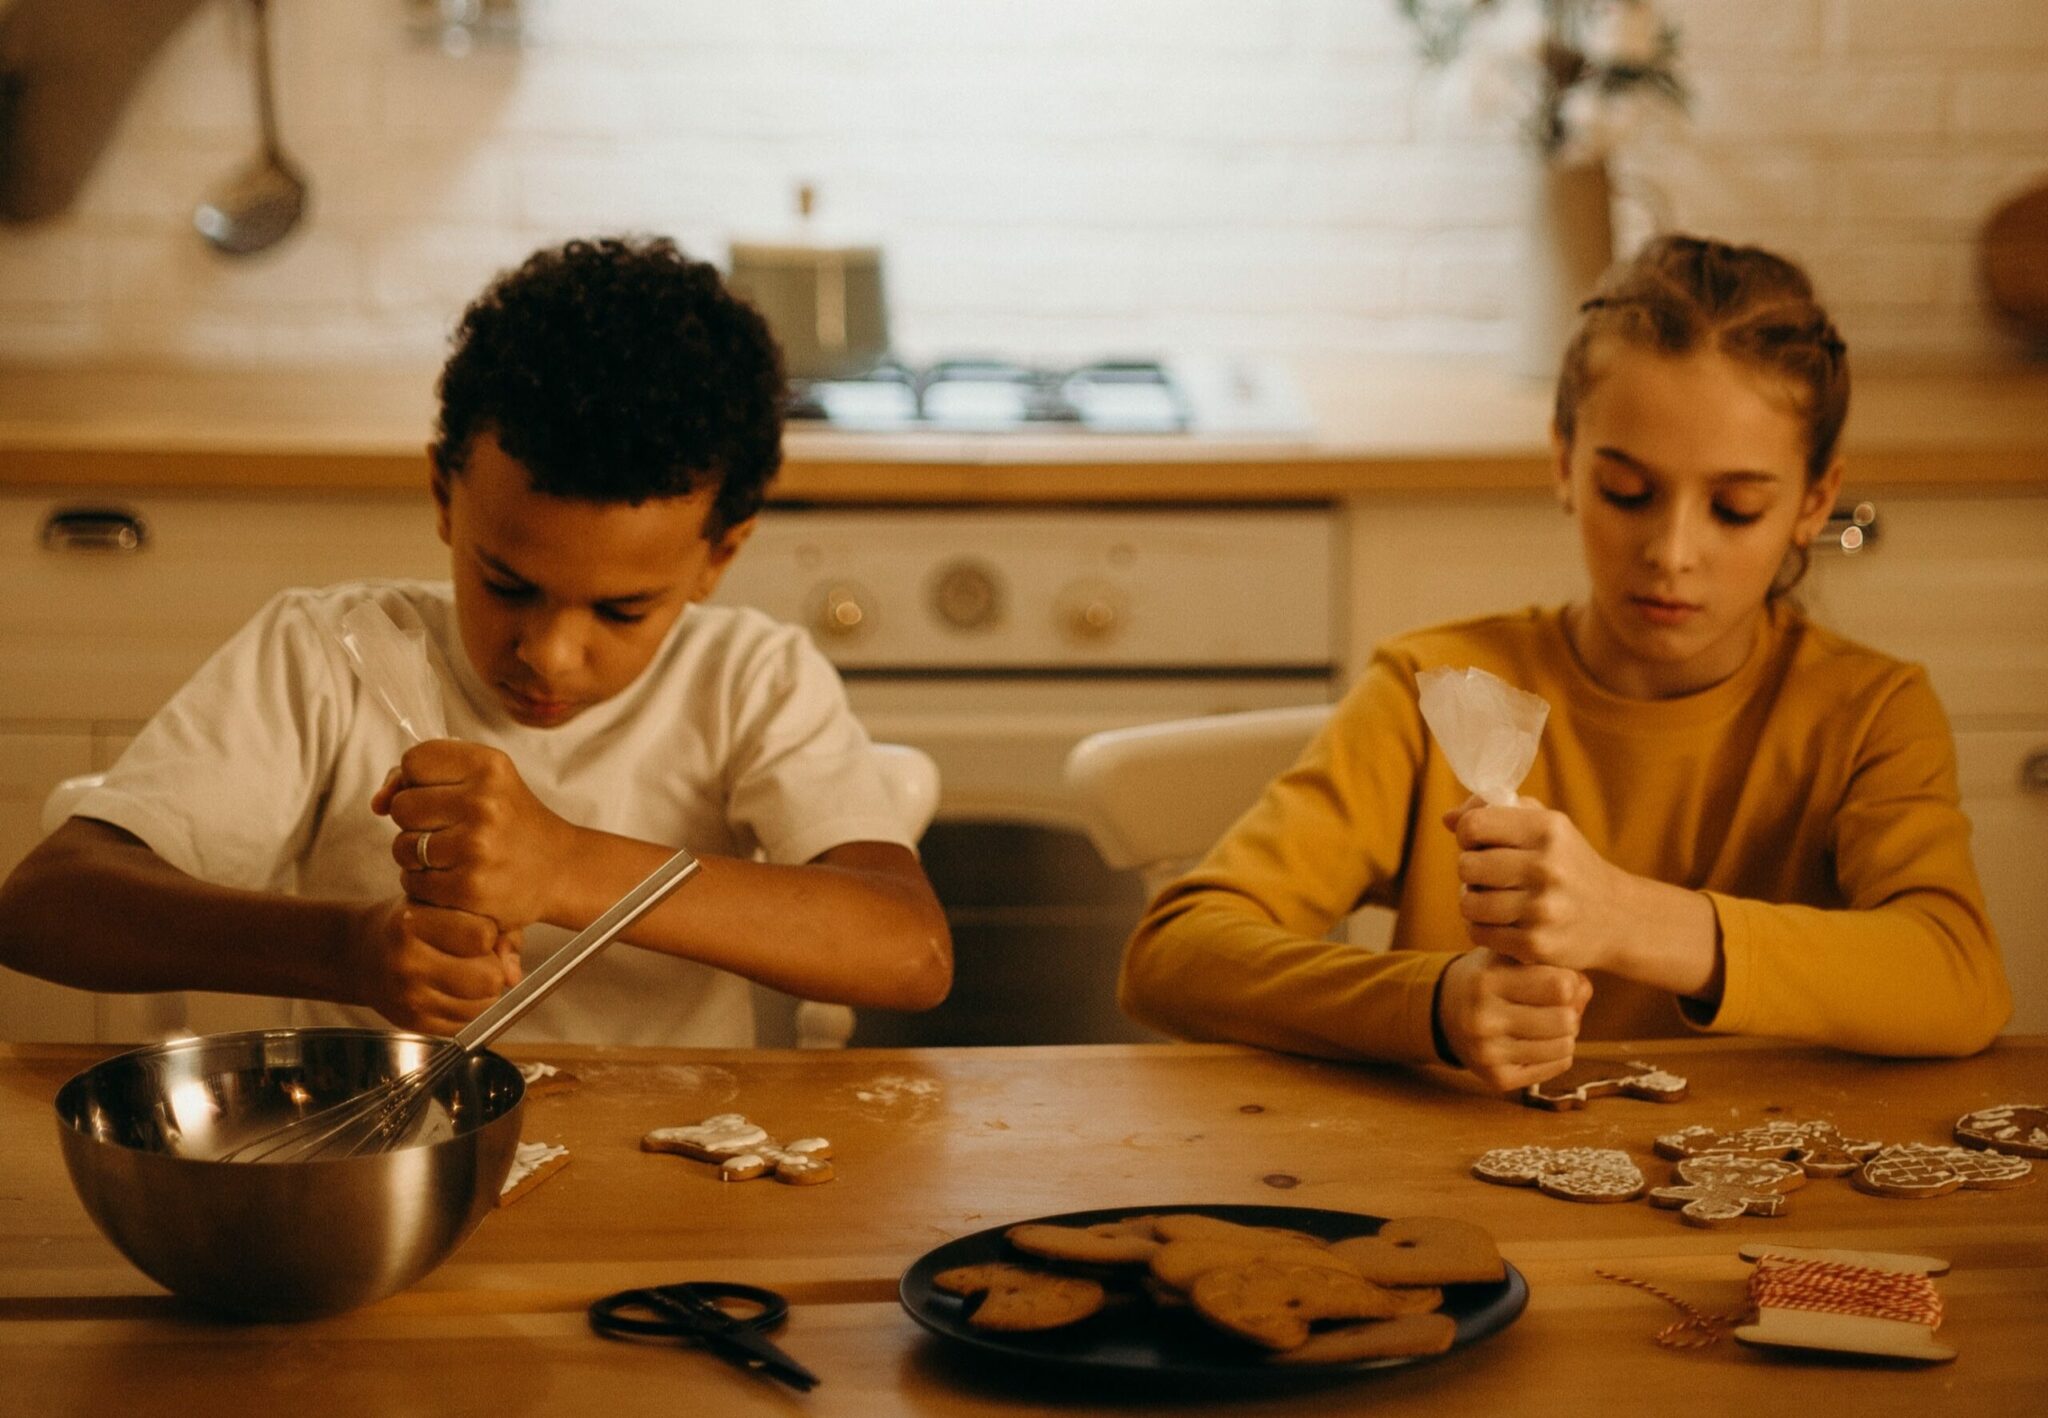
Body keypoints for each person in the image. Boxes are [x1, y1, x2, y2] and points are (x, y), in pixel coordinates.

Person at [0, 236, 951, 1046]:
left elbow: (908, 952)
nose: (550, 654)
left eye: (622, 611)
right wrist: (347, 952)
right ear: (444, 497)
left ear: (719, 555)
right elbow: (49, 904)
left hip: (675, 1153)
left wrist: (566, 865)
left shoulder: (752, 679)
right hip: (388, 1158)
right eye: (507, 584)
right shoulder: (327, 653)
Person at [1118, 234, 2010, 1089]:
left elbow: (1957, 977)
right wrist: (1433, 1005)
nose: (1671, 552)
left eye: (1735, 508)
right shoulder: (1435, 691)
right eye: (1628, 492)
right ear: (1564, 462)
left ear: (1815, 502)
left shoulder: (1870, 713)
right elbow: (1174, 955)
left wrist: (1628, 918)